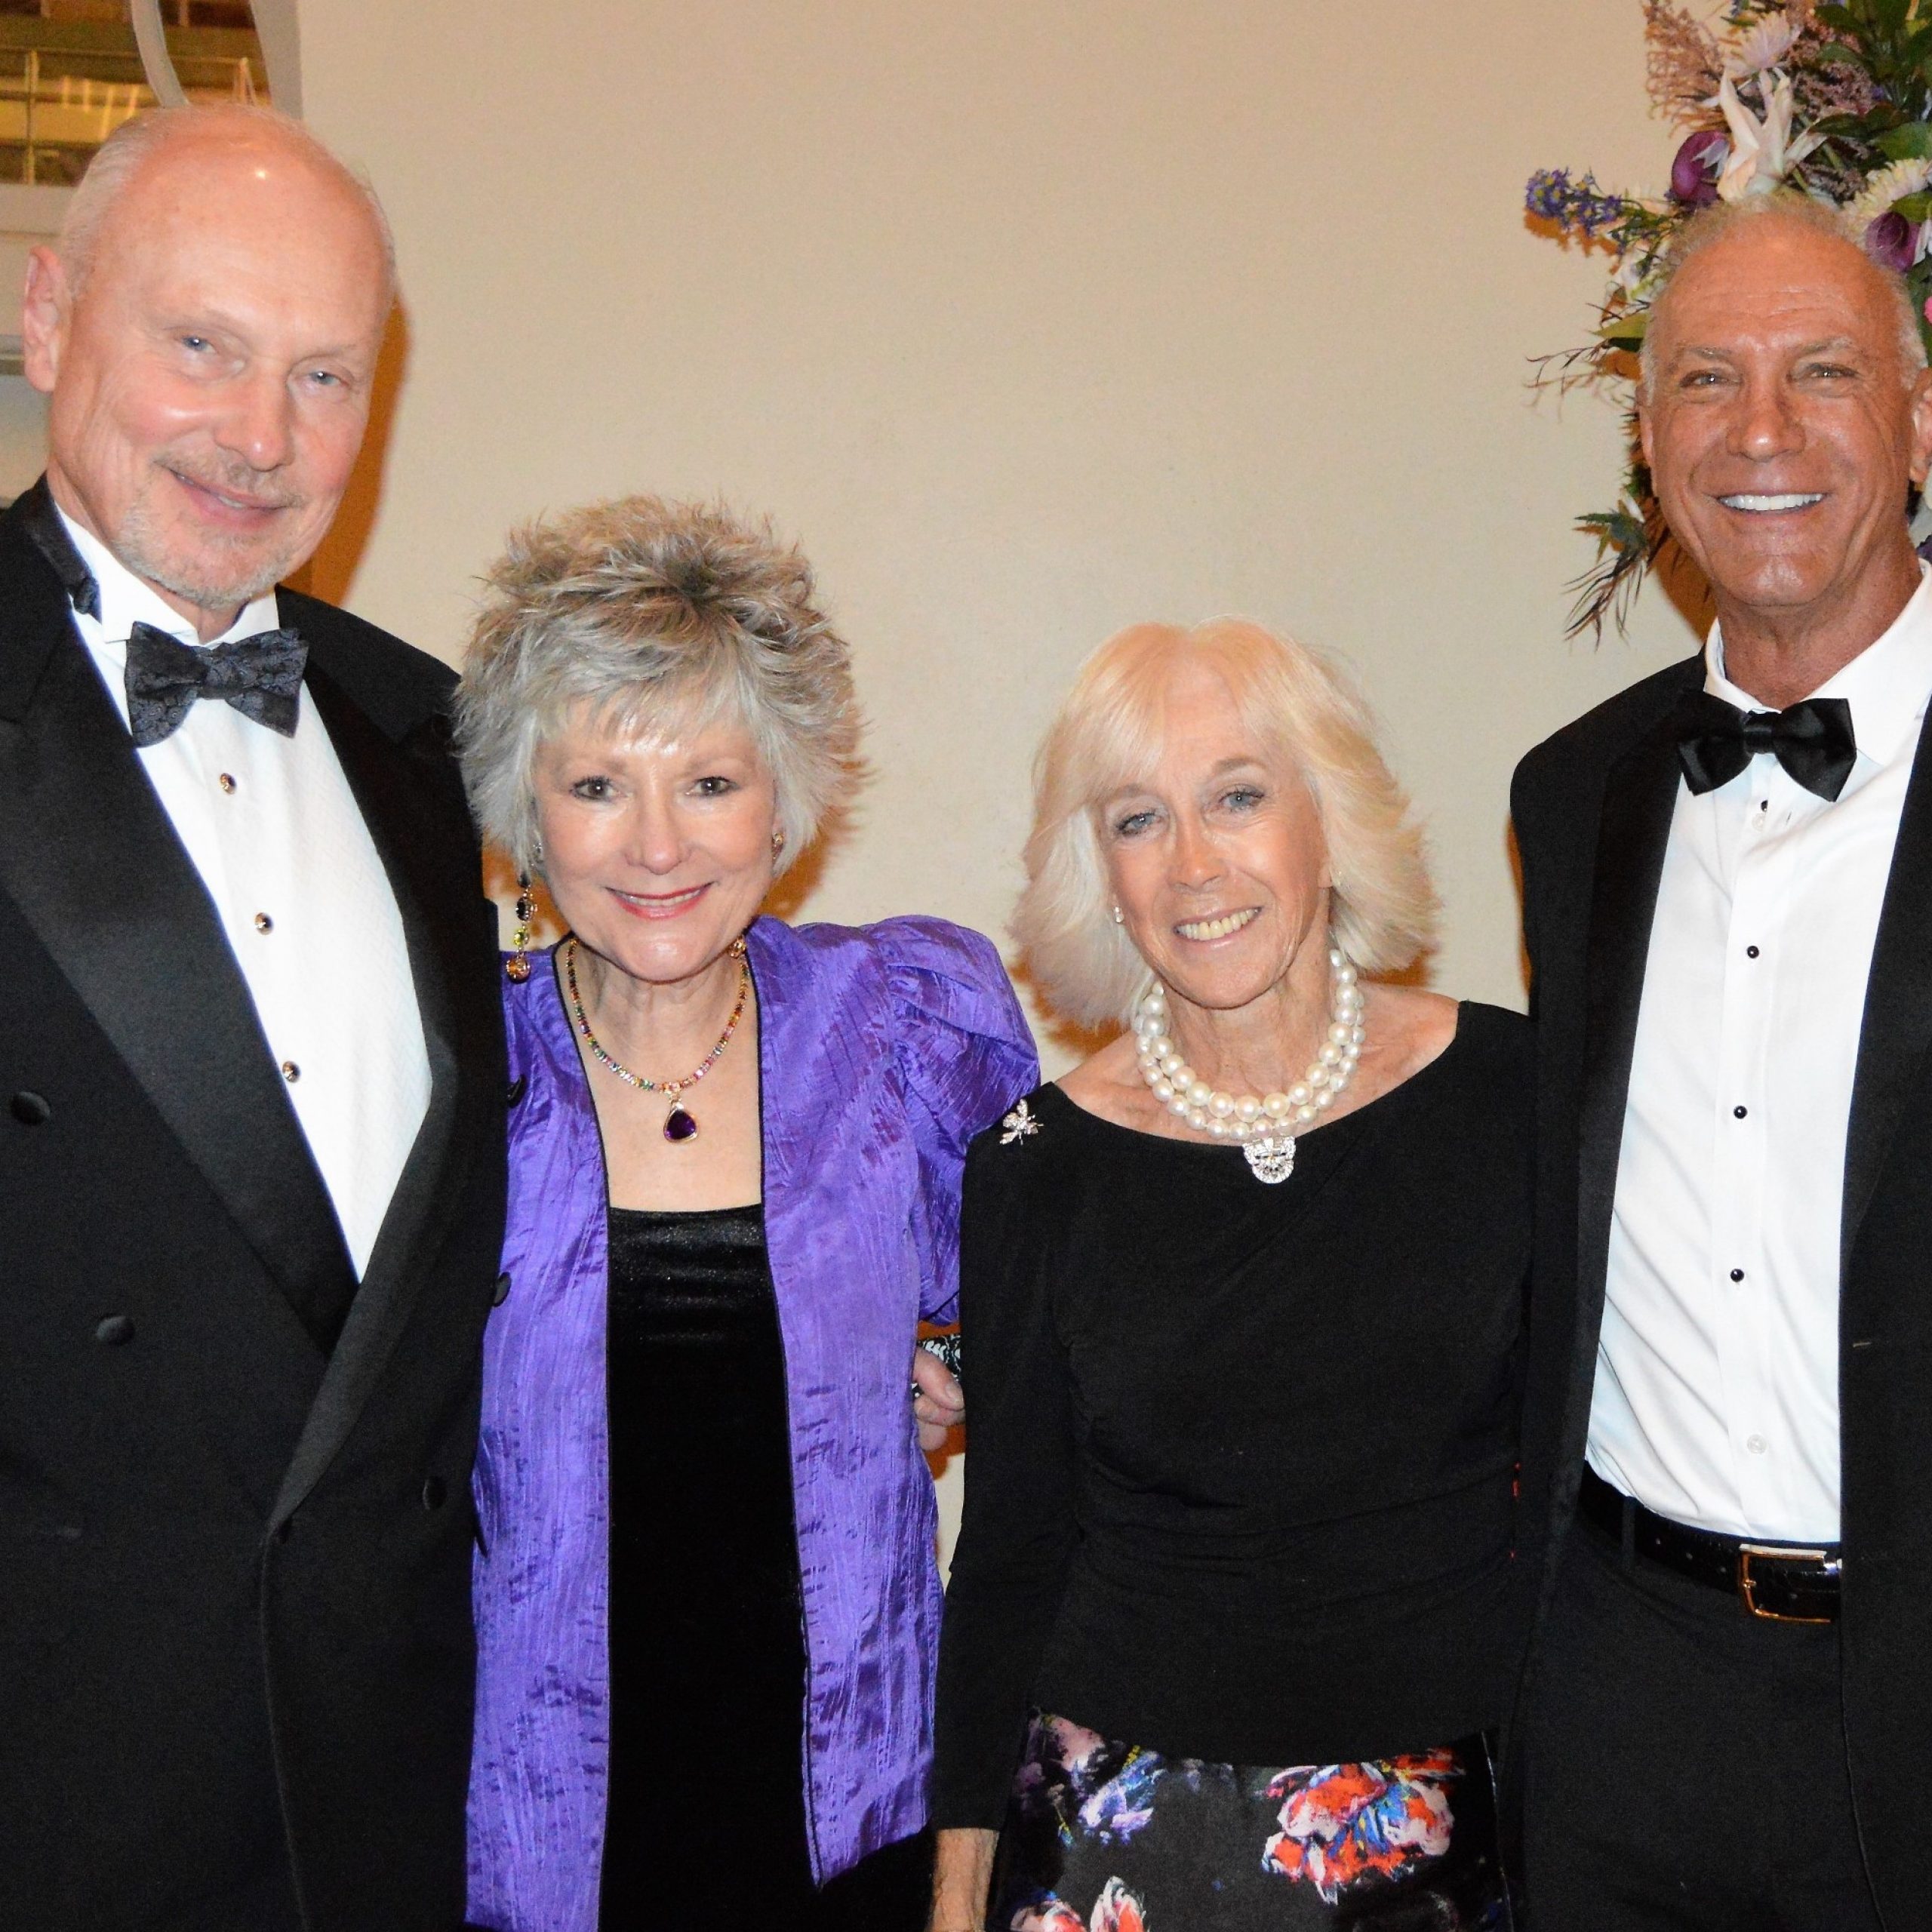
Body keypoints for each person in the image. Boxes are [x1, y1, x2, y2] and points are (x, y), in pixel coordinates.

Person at [0, 107, 506, 1931]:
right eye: (198, 345)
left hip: (393, 1793)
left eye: (323, 374)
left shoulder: (432, 736)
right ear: (49, 318)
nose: (260, 436)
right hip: (58, 1794)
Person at [454, 494, 1037, 1931]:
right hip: (534, 1817)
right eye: (596, 788)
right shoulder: (456, 1064)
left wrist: (947, 1365)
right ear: (526, 816)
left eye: (709, 783)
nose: (657, 845)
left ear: (786, 797)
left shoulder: (909, 1023)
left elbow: (1044, 1308)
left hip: (855, 1806)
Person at [930, 619, 1533, 1932]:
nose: (1197, 865)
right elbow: (1011, 1554)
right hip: (1122, 1840)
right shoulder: (1035, 1167)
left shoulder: (1515, 1098)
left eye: (1241, 798)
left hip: (1457, 1830)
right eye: (1140, 821)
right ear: (1103, 873)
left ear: (1331, 818)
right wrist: (958, 1893)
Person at [1512, 192, 1932, 1930]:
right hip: (1618, 1696)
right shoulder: (1575, 788)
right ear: (1646, 436)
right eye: (1704, 380)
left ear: (1915, 422)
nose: (1757, 433)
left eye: (1820, 373)